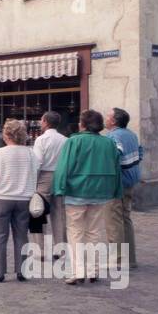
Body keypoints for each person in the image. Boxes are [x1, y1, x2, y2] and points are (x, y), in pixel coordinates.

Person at [52, 110, 122, 285]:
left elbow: (63, 167)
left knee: (75, 233)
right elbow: (117, 168)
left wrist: (59, 189)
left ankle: (78, 271)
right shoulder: (108, 143)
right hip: (101, 192)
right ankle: (93, 270)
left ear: (82, 124)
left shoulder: (73, 141)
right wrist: (116, 190)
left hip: (76, 192)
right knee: (95, 232)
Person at [0, 119, 38, 283]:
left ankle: (0, 272)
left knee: (0, 236)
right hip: (23, 198)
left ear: (6, 135)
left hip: (2, 197)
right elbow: (35, 173)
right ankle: (21, 271)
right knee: (22, 235)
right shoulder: (31, 153)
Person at [106, 107, 142, 269]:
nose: (106, 118)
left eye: (108, 116)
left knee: (114, 220)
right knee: (126, 219)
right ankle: (131, 259)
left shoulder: (113, 136)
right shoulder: (132, 135)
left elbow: (115, 155)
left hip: (117, 183)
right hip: (131, 180)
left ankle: (118, 260)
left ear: (114, 121)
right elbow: (140, 153)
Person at [32, 111, 69, 257]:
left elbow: (38, 162)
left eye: (41, 120)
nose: (40, 123)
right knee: (59, 213)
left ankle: (39, 250)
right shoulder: (65, 140)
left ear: (46, 122)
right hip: (60, 176)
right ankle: (60, 248)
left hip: (44, 177)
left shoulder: (41, 140)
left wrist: (33, 181)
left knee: (36, 212)